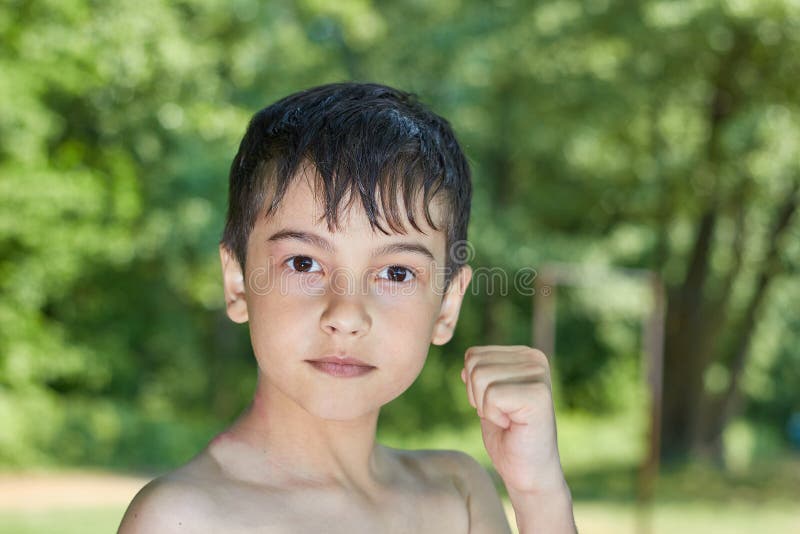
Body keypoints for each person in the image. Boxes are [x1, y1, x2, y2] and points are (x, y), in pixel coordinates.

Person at [118, 82, 576, 533]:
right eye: (304, 263)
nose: (347, 315)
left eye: (396, 273)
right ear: (237, 283)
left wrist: (538, 492)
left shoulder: (459, 494)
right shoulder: (183, 519)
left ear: (446, 306)